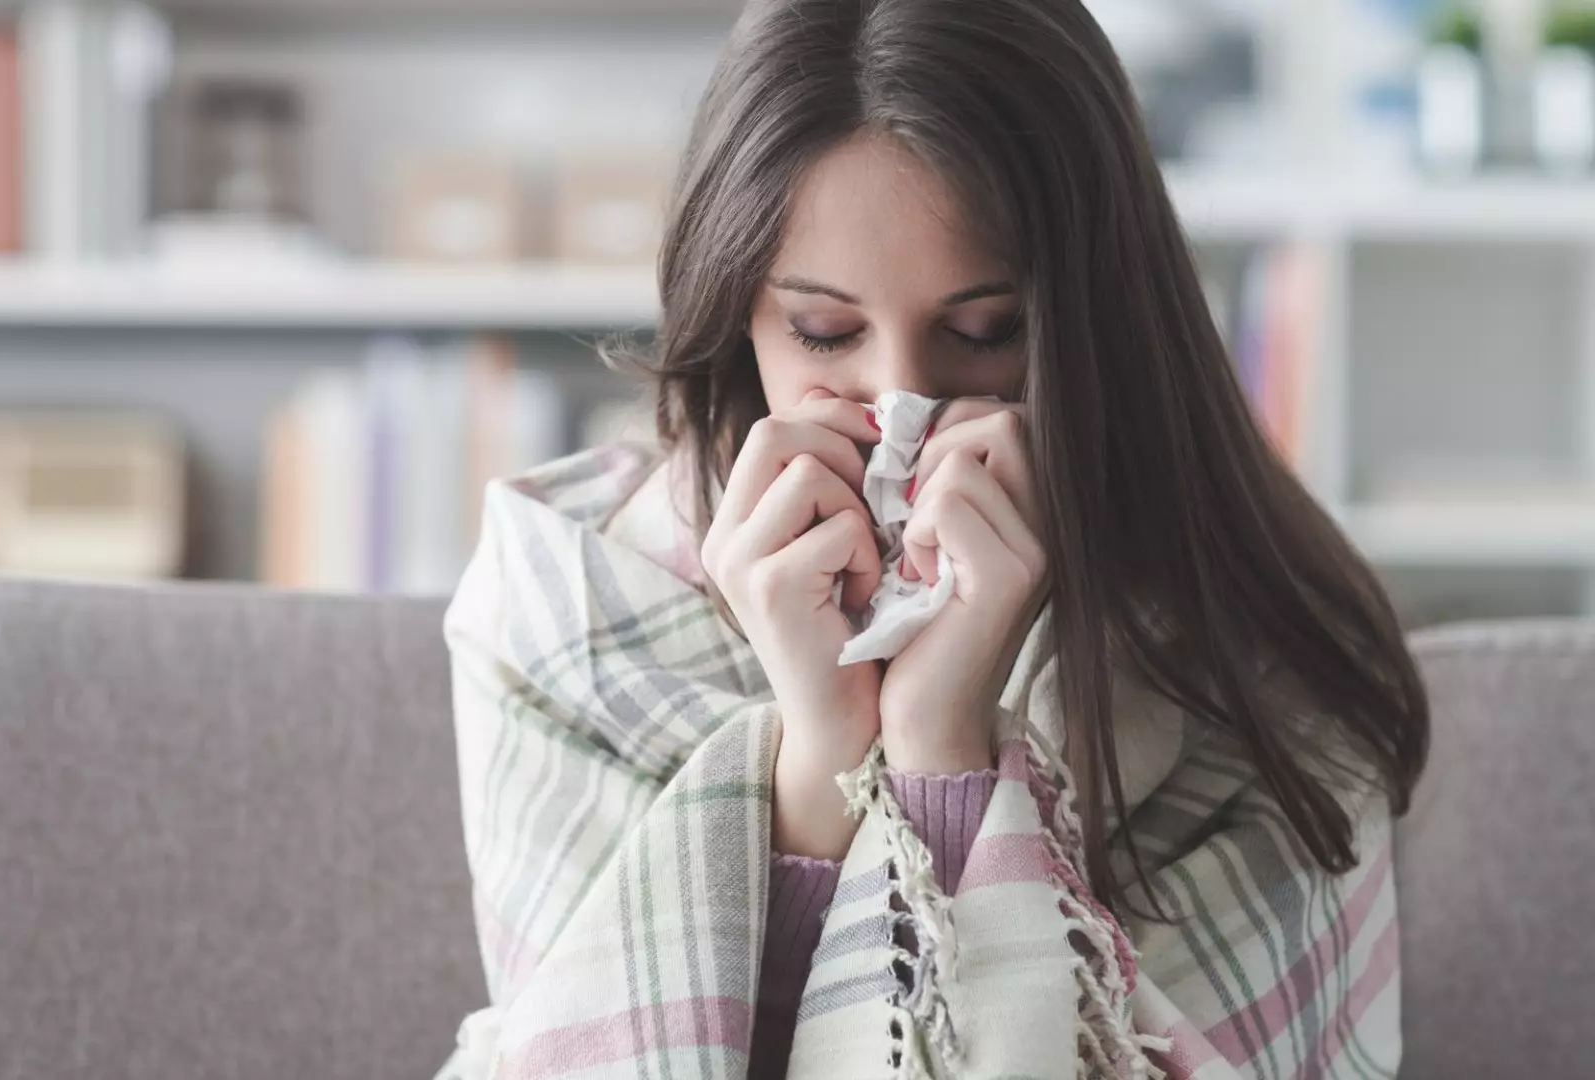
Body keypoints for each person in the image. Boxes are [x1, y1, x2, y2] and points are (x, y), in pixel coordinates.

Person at [438, 1, 1428, 1078]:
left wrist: (944, 746)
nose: (901, 404)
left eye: (983, 333)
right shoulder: (569, 597)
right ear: (736, 316)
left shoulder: (1251, 647)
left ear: (1093, 317)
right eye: (823, 332)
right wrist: (818, 758)